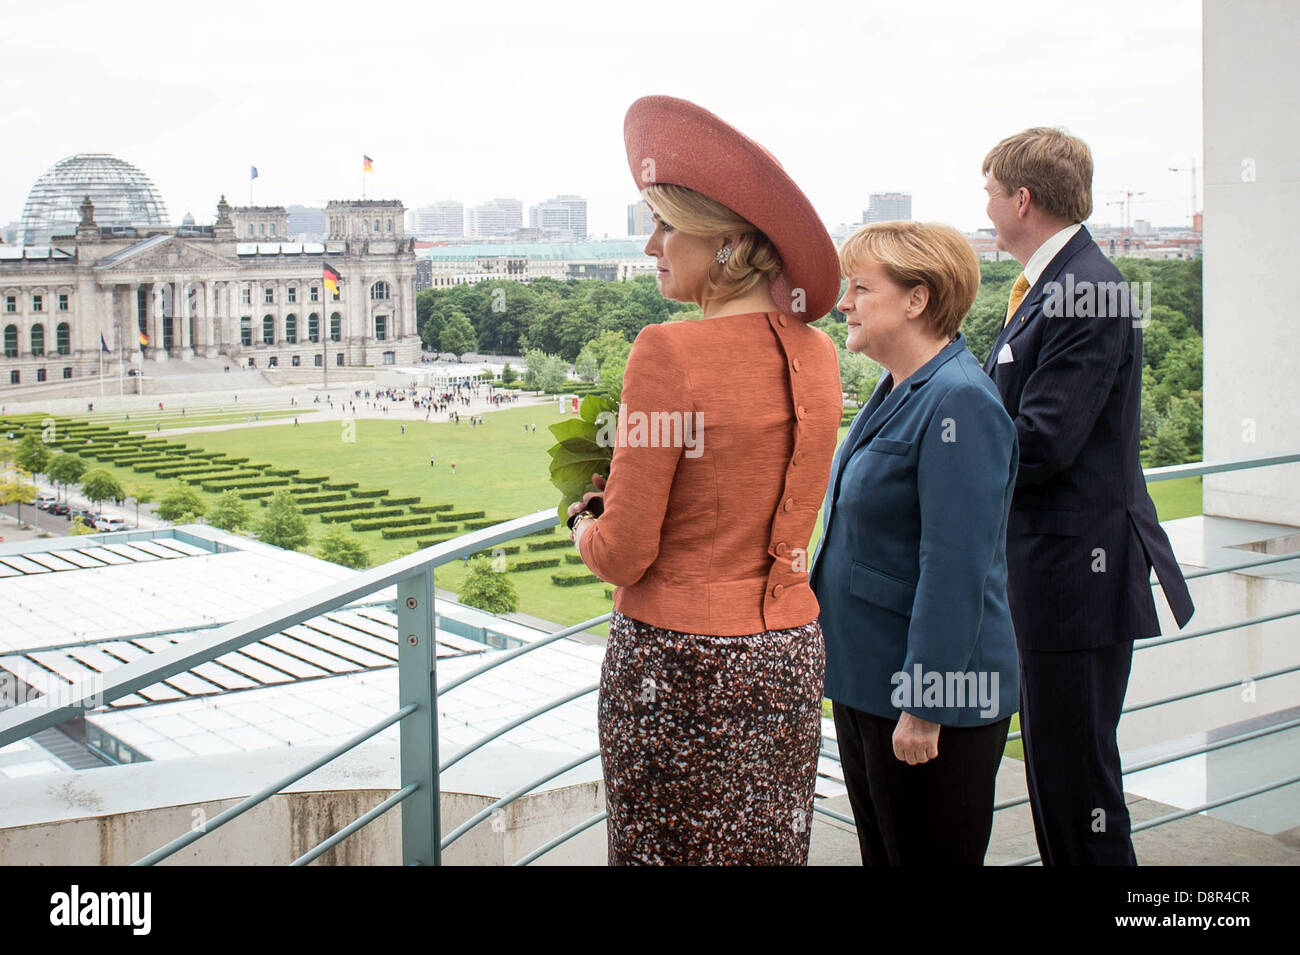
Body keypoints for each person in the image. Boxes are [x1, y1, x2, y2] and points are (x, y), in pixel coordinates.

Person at [568, 95, 842, 865]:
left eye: (665, 225)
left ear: (724, 243)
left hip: (682, 666)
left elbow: (624, 553)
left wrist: (581, 523)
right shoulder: (819, 354)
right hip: (787, 654)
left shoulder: (668, 353)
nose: (651, 243)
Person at [979, 127, 1195, 865]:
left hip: (1075, 578)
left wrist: (942, 452)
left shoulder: (1087, 288)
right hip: (1053, 574)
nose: (984, 205)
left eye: (989, 191)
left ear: (1023, 198)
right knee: (1057, 780)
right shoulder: (1056, 283)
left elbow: (1041, 440)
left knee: (1080, 792)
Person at [808, 221, 1019, 865]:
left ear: (916, 299)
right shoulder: (897, 386)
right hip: (866, 680)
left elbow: (955, 569)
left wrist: (926, 706)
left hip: (928, 700)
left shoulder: (961, 403)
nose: (843, 302)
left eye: (860, 288)